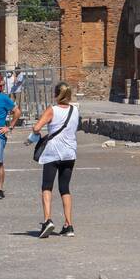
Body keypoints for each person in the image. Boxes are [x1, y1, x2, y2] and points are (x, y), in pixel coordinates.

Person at [32, 82, 79, 238]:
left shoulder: (52, 110)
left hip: (53, 153)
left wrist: (37, 133)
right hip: (69, 153)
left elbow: (37, 127)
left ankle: (47, 220)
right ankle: (69, 224)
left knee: (47, 186)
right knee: (65, 188)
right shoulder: (75, 110)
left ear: (56, 94)